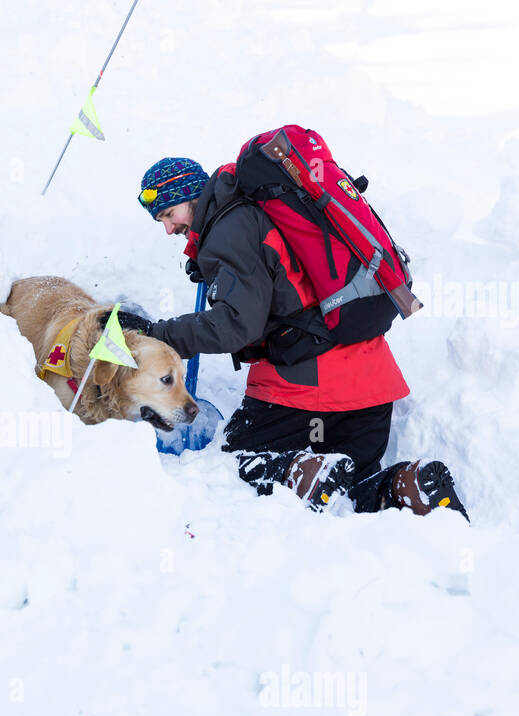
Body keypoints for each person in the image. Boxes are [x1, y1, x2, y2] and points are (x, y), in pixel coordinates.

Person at [118, 156, 468, 518]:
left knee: (230, 468)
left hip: (307, 386)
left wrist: (156, 334)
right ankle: (409, 483)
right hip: (373, 387)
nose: (168, 228)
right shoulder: (258, 209)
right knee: (353, 497)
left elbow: (237, 325)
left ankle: (301, 472)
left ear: (190, 194)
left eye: (168, 214)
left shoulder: (229, 227)